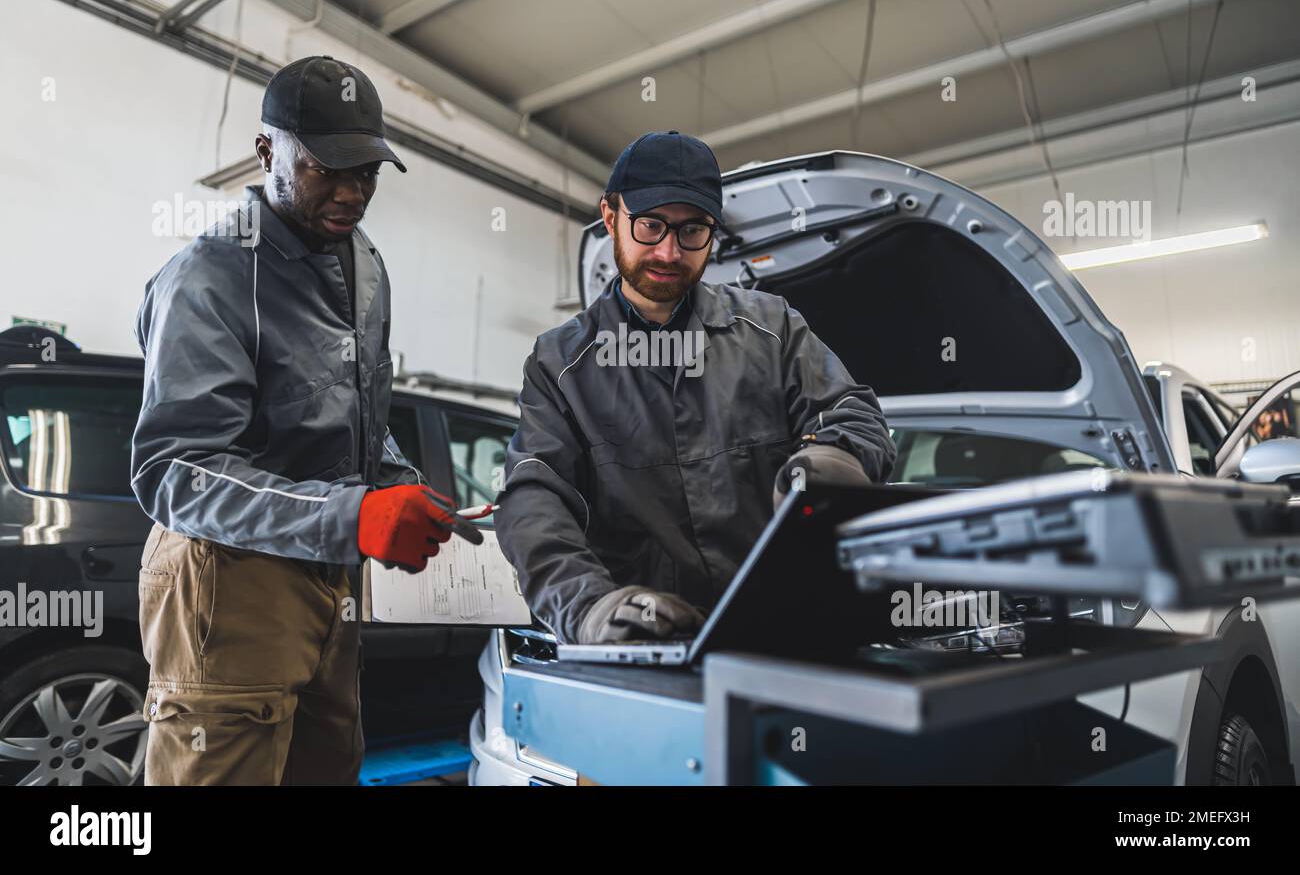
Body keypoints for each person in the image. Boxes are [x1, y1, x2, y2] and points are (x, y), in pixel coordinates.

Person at [131, 56, 461, 784]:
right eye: (325, 169)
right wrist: (352, 516)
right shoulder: (211, 276)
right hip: (226, 578)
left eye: (367, 173)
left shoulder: (364, 264)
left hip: (329, 578)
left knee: (327, 768)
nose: (351, 193)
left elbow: (354, 409)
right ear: (265, 151)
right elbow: (176, 471)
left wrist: (398, 483)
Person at [495, 130, 895, 644]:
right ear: (611, 216)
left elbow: (850, 413)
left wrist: (834, 457)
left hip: (788, 630)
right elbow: (533, 500)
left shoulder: (772, 329)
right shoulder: (559, 366)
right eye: (651, 225)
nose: (669, 251)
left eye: (692, 231)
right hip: (646, 644)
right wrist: (589, 607)